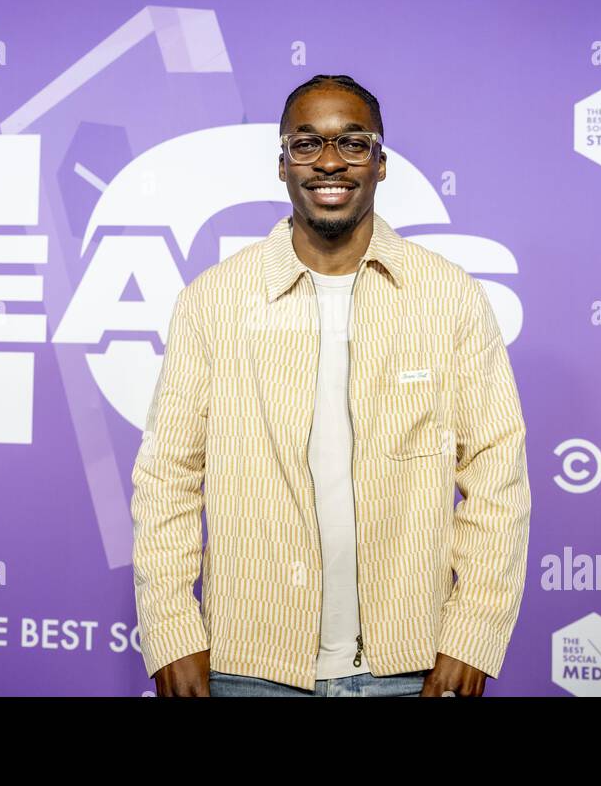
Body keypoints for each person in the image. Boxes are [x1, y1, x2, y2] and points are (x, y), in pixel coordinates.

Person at [130, 74, 531, 697]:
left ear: (381, 163)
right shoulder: (212, 301)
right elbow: (166, 477)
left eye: (353, 142)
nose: (329, 162)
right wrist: (171, 630)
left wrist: (473, 630)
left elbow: (496, 473)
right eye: (306, 143)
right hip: (248, 666)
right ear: (282, 164)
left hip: (410, 665)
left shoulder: (449, 296)